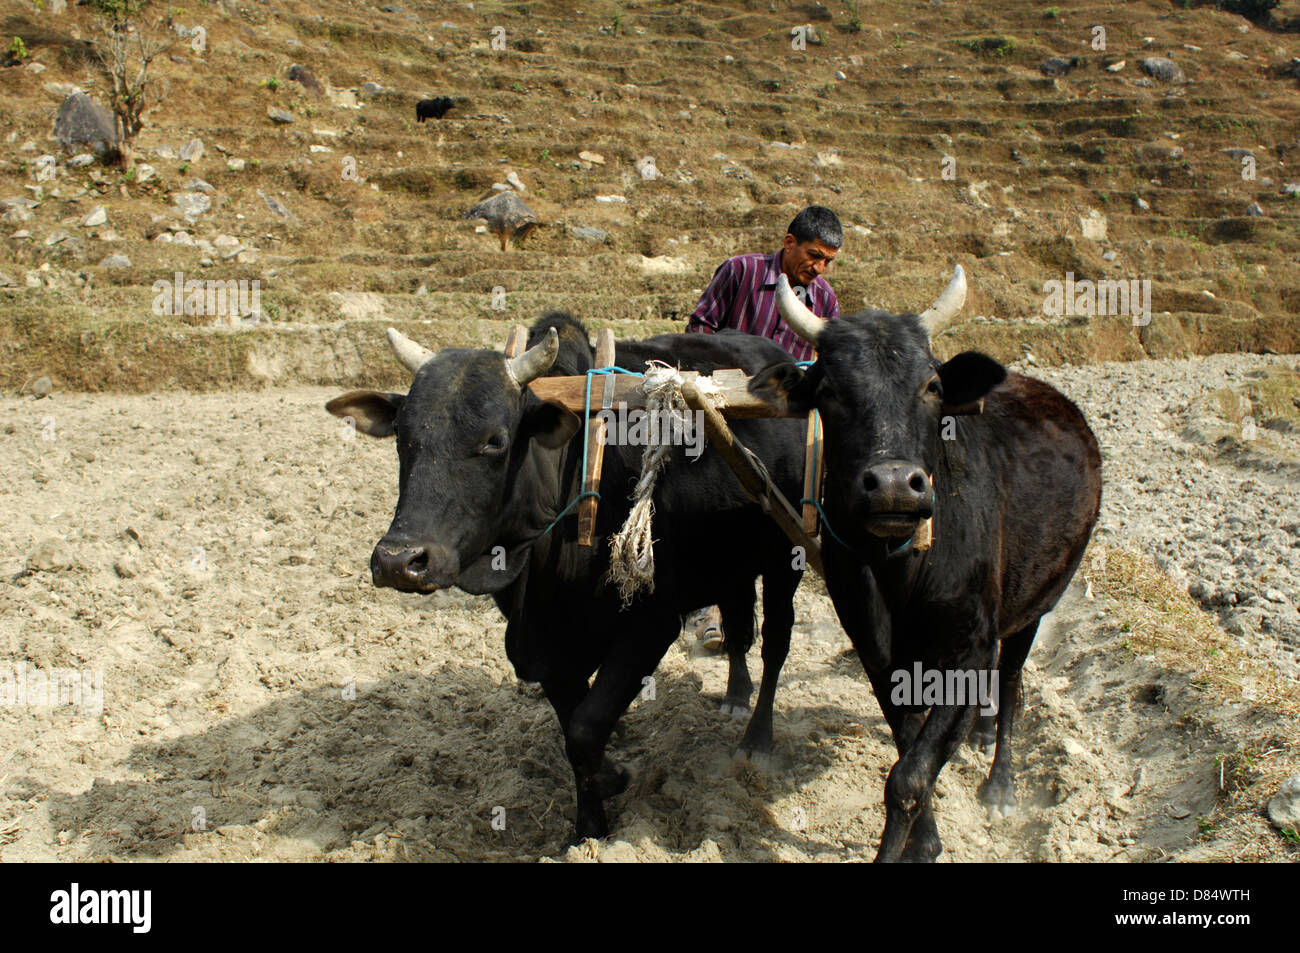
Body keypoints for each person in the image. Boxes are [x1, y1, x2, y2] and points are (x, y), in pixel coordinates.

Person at [682, 206, 843, 649]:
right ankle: (707, 607)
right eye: (813, 254)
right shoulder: (740, 271)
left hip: (784, 437)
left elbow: (827, 368)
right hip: (722, 417)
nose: (819, 267)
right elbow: (699, 330)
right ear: (788, 242)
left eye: (828, 260)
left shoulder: (824, 300)